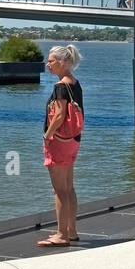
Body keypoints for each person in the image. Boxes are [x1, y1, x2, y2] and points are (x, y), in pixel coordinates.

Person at [39, 44, 84, 247]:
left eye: (51, 61)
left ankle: (61, 234)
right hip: (73, 140)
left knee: (59, 190)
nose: (47, 64)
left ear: (63, 62)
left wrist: (47, 136)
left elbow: (58, 115)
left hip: (58, 141)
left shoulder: (60, 87)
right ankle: (72, 231)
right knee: (69, 187)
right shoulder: (74, 83)